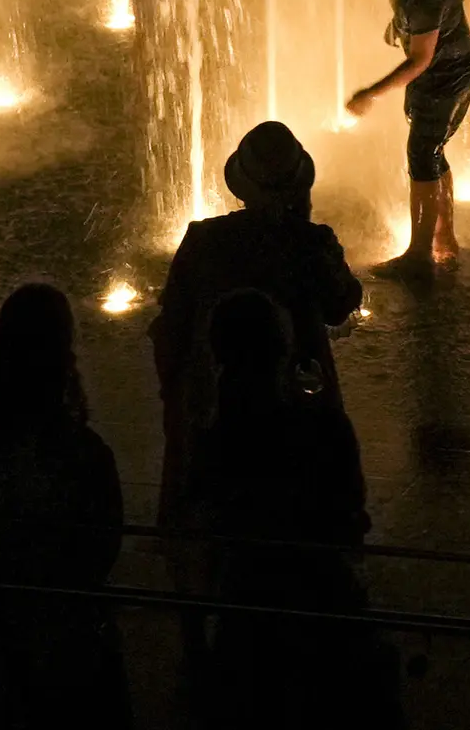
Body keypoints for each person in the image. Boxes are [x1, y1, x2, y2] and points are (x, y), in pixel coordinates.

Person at [150, 123, 361, 663]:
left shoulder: (203, 241)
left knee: (213, 530)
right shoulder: (312, 245)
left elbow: (170, 328)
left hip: (218, 404)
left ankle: (201, 650)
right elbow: (343, 304)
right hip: (300, 402)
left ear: (239, 186)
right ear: (299, 186)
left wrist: (179, 400)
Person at [187, 289, 395, 730]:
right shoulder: (320, 428)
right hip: (323, 607)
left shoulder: (215, 437)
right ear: (283, 348)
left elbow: (202, 516)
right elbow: (349, 509)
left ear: (218, 352)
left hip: (246, 612)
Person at [0, 283, 132, 729]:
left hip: (2, 621)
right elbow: (105, 548)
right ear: (64, 358)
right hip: (74, 631)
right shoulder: (85, 452)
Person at [343, 0, 470, 266]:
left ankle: (419, 256)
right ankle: (443, 239)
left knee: (422, 153)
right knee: (430, 151)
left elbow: (419, 61)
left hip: (451, 75)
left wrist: (370, 94)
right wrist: (399, 26)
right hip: (439, 75)